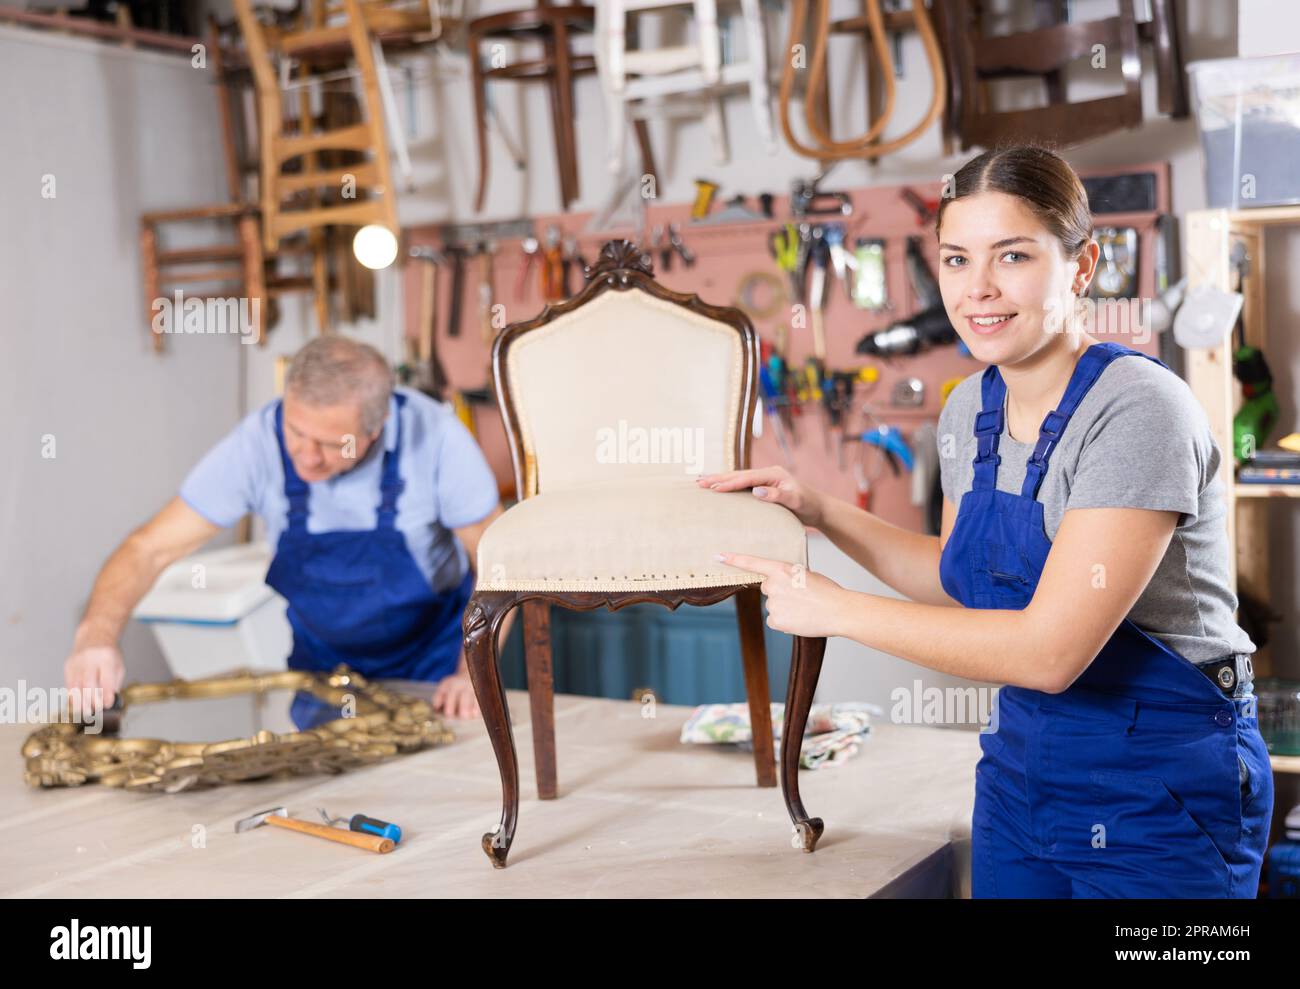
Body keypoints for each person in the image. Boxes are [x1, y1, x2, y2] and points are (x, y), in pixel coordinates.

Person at [700, 144, 1273, 898]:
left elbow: (1050, 651)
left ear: (1081, 264)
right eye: (956, 259)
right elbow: (956, 578)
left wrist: (834, 609)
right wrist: (819, 510)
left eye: (1012, 256)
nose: (979, 290)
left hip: (1161, 785)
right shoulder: (970, 408)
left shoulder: (1139, 412)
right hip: (1022, 775)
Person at [65, 337, 511, 720]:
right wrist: (95, 636)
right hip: (320, 670)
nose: (307, 457)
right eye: (296, 432)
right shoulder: (255, 443)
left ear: (377, 429)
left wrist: (473, 674)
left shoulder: (436, 439)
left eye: (332, 445)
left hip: (431, 662)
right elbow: (149, 549)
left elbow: (498, 566)